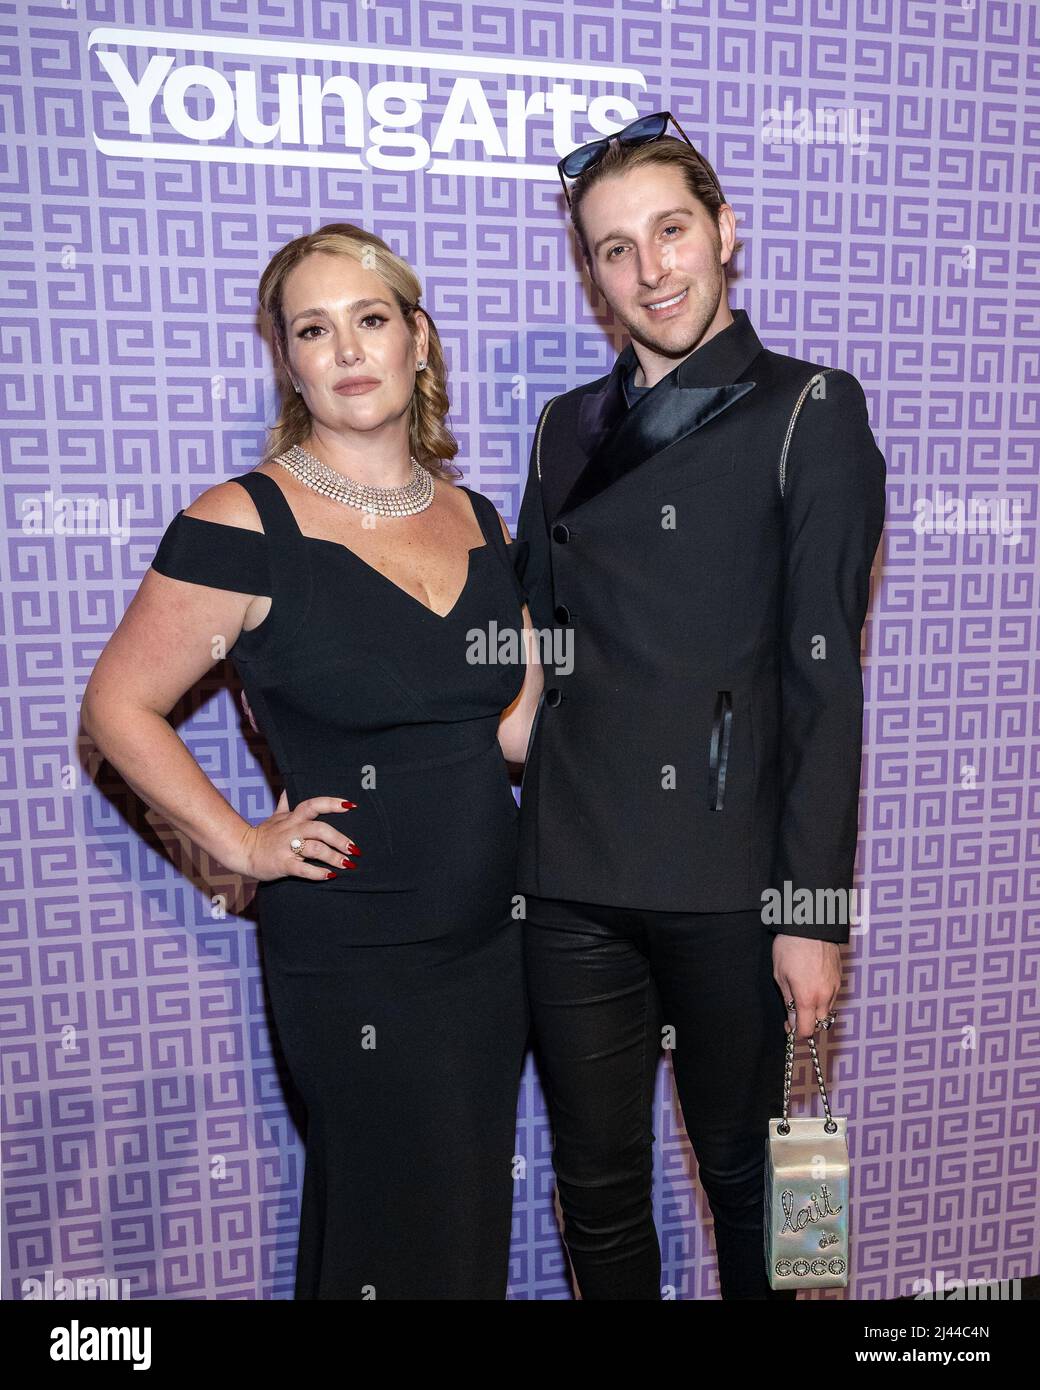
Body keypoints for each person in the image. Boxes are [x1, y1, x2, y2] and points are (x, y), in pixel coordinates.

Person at [81, 223, 542, 1300]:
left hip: (492, 941)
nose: (347, 349)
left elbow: (518, 724)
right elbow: (118, 704)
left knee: (449, 1229)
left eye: (371, 320)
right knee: (399, 1225)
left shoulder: (476, 519)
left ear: (417, 340)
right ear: (287, 361)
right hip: (353, 948)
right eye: (312, 329)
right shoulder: (241, 521)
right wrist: (240, 841)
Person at [514, 114, 886, 1299]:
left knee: (764, 1180)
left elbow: (825, 679)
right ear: (591, 273)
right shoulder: (562, 427)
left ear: (723, 232)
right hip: (570, 874)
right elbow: (533, 627)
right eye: (613, 249)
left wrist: (811, 912)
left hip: (733, 885)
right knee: (599, 1184)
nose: (649, 269)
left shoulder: (808, 408)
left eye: (669, 230)